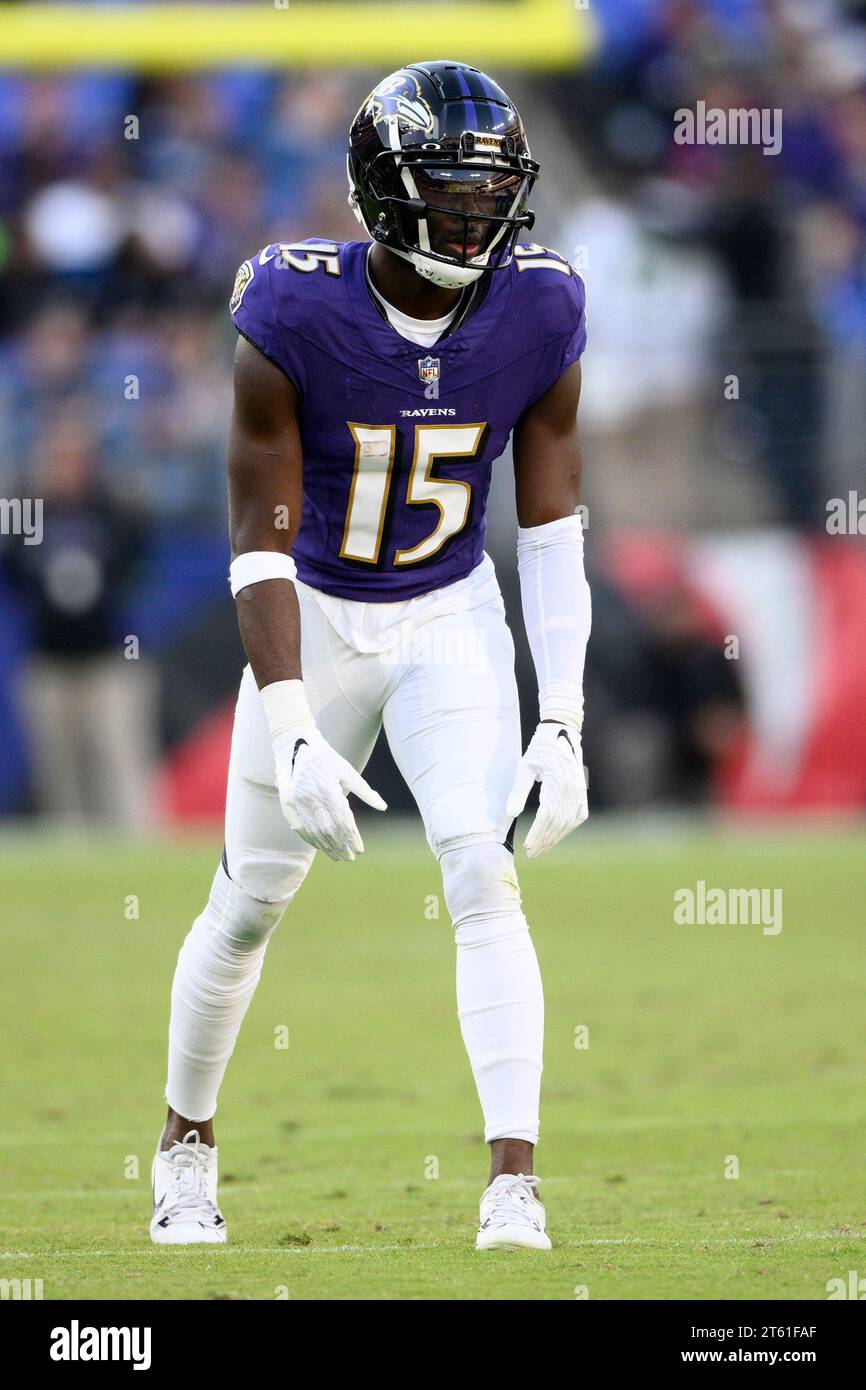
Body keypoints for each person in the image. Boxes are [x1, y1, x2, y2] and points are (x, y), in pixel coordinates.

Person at [151, 61, 591, 1252]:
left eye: (491, 188)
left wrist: (562, 718)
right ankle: (184, 1146)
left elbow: (551, 526)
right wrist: (290, 717)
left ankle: (513, 1180)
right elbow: (259, 538)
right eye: (450, 189)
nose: (476, 213)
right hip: (320, 613)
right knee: (246, 905)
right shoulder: (292, 311)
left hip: (450, 608)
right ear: (383, 193)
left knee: (480, 870)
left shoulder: (540, 307)